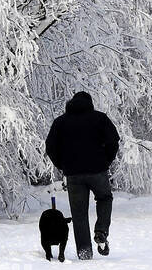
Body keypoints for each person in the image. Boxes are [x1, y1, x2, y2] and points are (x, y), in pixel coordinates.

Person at [45, 91, 120, 260]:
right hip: (97, 171)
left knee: (79, 213)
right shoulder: (100, 118)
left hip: (74, 175)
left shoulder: (60, 122)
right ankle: (101, 231)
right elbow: (113, 141)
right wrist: (105, 161)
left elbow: (50, 147)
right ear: (89, 103)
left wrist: (63, 166)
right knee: (105, 198)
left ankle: (85, 253)